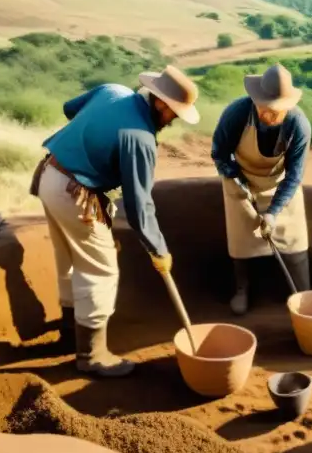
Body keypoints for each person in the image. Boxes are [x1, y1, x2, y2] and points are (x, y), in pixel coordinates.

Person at [29, 65, 200, 377]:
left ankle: (70, 333)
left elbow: (70, 109)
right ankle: (92, 355)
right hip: (74, 193)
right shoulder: (140, 138)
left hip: (49, 175)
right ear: (161, 103)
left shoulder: (112, 91)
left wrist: (95, 138)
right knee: (100, 269)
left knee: (68, 258)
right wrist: (158, 249)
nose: (173, 120)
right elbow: (138, 204)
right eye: (174, 112)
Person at [211, 63, 312, 314]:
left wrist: (273, 211)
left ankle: (303, 294)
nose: (270, 115)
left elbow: (295, 175)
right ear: (255, 100)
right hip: (241, 180)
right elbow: (219, 154)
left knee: (294, 238)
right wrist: (236, 179)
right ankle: (242, 289)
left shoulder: (299, 125)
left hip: (279, 183)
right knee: (241, 237)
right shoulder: (236, 113)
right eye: (265, 109)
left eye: (277, 111)